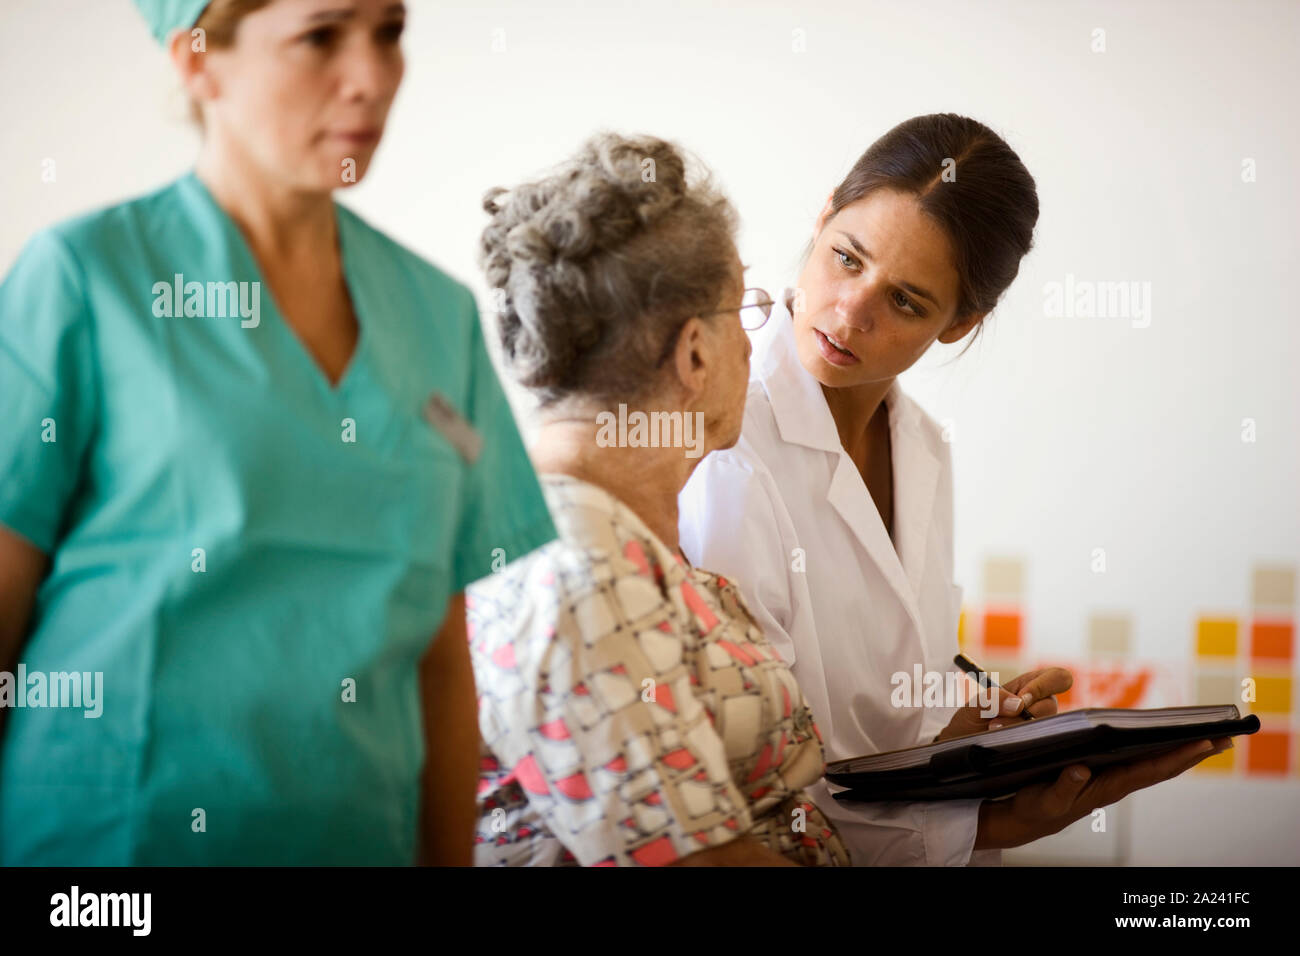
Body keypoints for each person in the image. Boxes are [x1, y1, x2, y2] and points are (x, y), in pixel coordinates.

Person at [0, 0, 555, 864]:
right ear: (196, 60)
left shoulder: (438, 318)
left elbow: (440, 659)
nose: (371, 77)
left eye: (389, 31)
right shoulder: (84, 279)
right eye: (320, 35)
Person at [678, 113, 1232, 865]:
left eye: (905, 301)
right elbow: (748, 771)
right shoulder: (723, 439)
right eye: (845, 258)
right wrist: (987, 826)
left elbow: (878, 717)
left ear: (960, 321)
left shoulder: (925, 450)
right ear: (823, 217)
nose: (850, 312)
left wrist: (962, 733)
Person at [467, 132, 850, 866]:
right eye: (745, 311)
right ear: (696, 353)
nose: (754, 346)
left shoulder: (617, 538)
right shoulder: (576, 564)